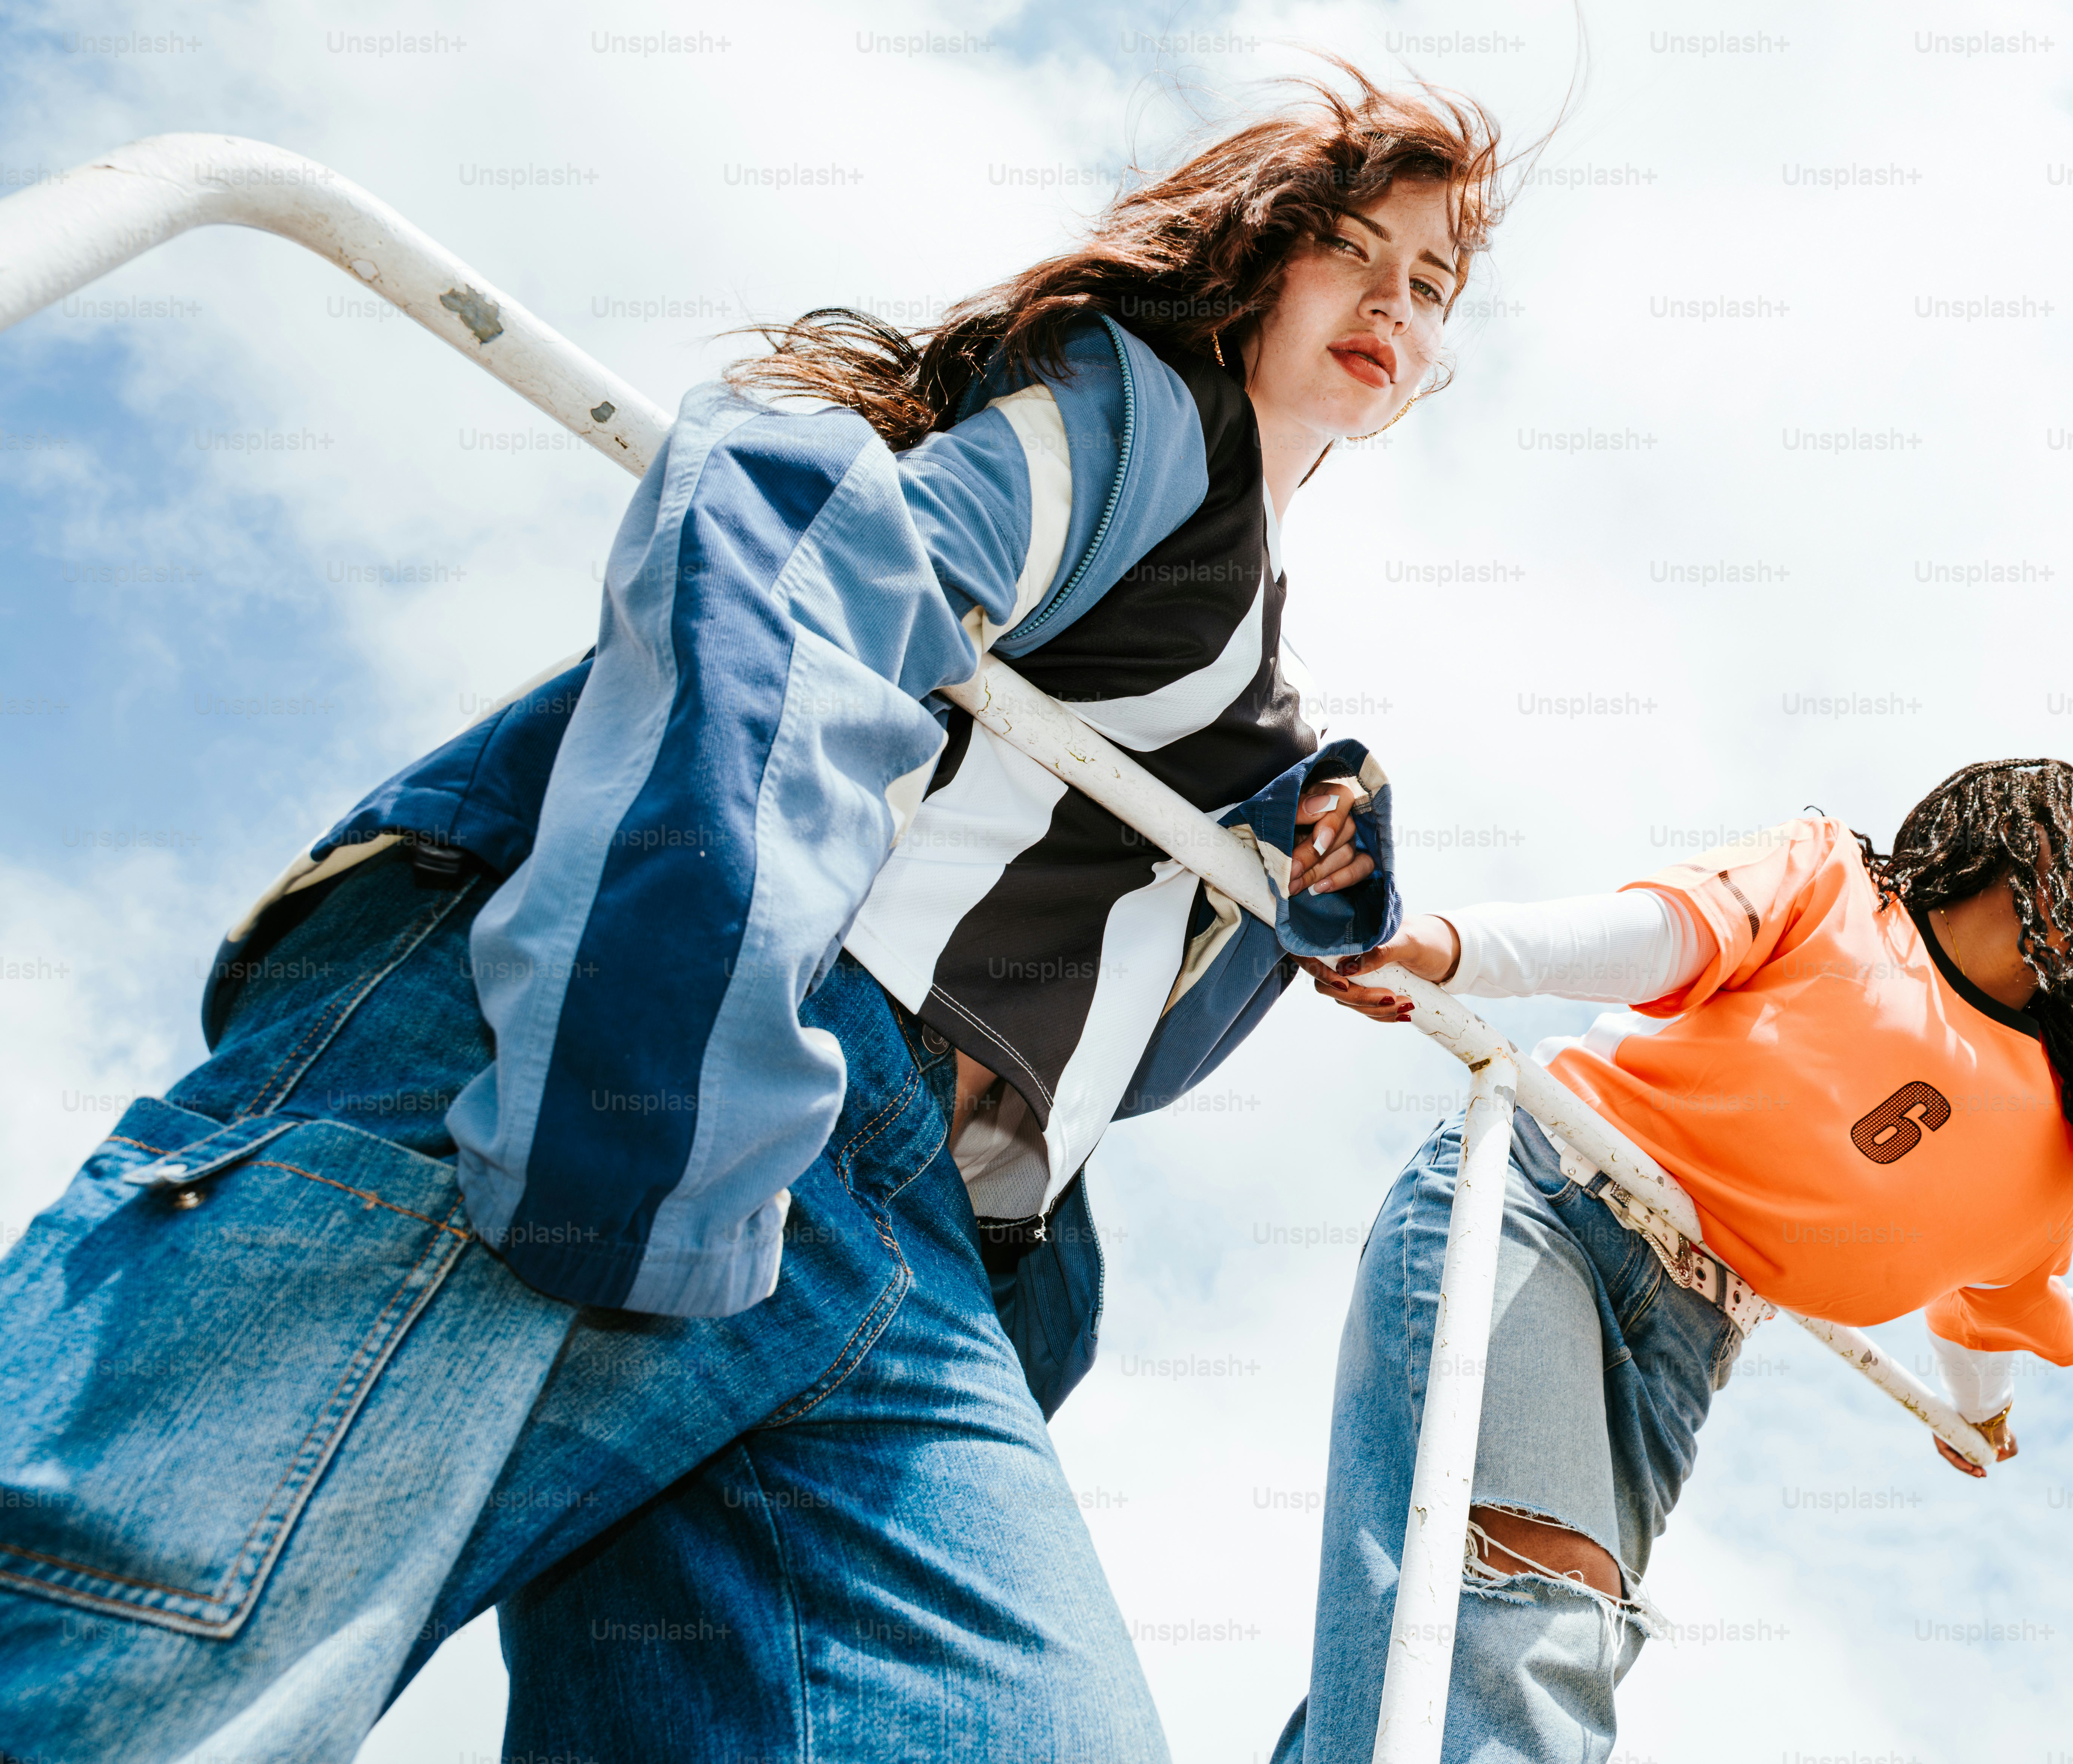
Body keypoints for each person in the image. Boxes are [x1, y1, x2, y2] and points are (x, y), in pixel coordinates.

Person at [0, 67, 1518, 1764]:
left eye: (1432, 285)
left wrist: (1303, 870)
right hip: (665, 1041)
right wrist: (669, 1075)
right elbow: (808, 550)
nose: (1394, 303)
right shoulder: (1138, 424)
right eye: (1351, 248)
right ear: (1253, 256)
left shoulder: (1258, 666)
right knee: (136, 1665)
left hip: (909, 1249)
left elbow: (1111, 1022)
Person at [1275, 758, 2073, 1761]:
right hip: (1548, 1197)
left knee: (1455, 1656)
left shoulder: (2058, 1150)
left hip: (1689, 1342)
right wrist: (1440, 949)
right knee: (1535, 1623)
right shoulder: (1837, 888)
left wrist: (1977, 1415)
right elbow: (1657, 935)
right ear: (2035, 828)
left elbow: (1996, 1301)